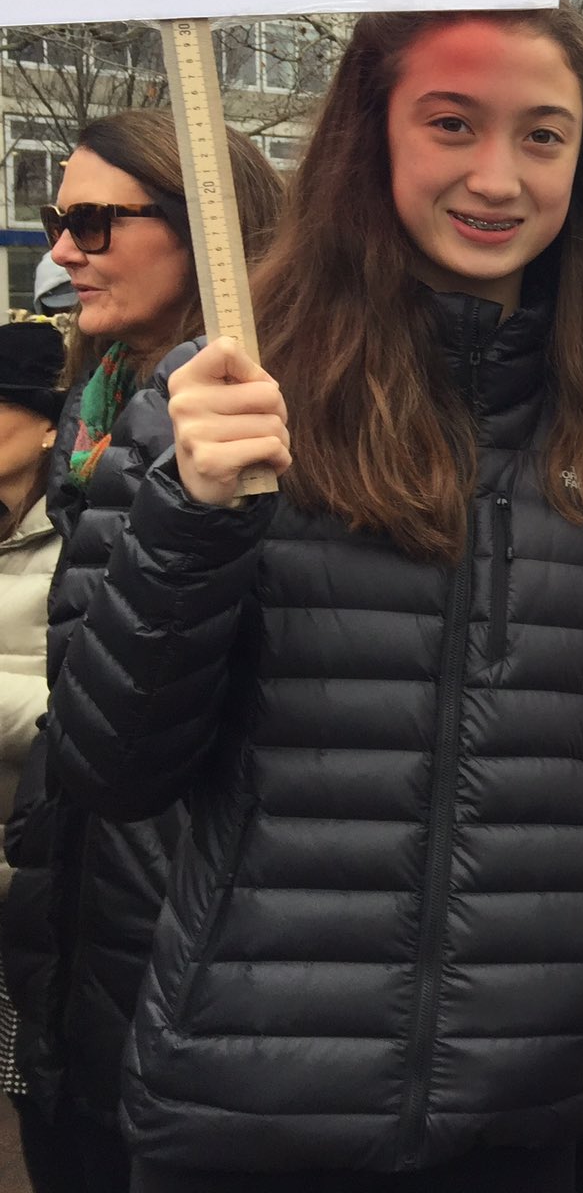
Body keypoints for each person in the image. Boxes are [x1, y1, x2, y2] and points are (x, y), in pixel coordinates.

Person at [41, 10, 583, 1191]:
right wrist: (193, 512)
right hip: (242, 1108)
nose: (496, 176)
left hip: (520, 1117)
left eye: (541, 135)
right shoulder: (215, 401)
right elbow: (109, 767)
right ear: (370, 136)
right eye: (451, 124)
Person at [3, 111, 286, 1193]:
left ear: (206, 226)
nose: (62, 250)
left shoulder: (267, 424)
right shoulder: (98, 408)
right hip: (79, 919)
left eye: (93, 222)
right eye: (56, 217)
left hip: (195, 957)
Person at [0, 321, 66, 1124]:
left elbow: (95, 706)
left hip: (36, 883)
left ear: (50, 426)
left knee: (40, 1101)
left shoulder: (82, 533)